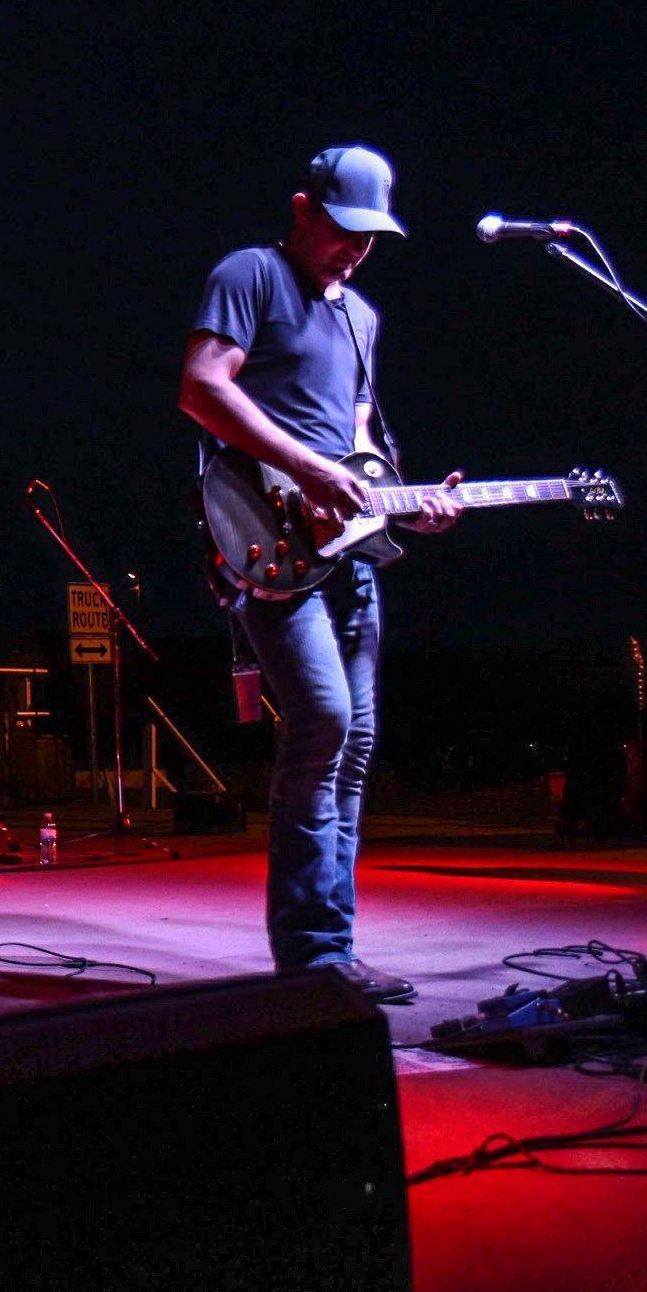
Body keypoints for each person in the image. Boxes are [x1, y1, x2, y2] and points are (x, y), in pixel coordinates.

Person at [177, 145, 462, 1004]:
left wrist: (412, 503)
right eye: (343, 230)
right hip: (268, 541)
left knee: (357, 744)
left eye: (372, 236)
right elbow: (201, 386)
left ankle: (331, 950)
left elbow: (365, 447)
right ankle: (308, 958)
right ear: (304, 208)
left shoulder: (362, 319)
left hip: (351, 557)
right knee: (325, 725)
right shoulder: (251, 274)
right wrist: (306, 470)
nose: (357, 249)